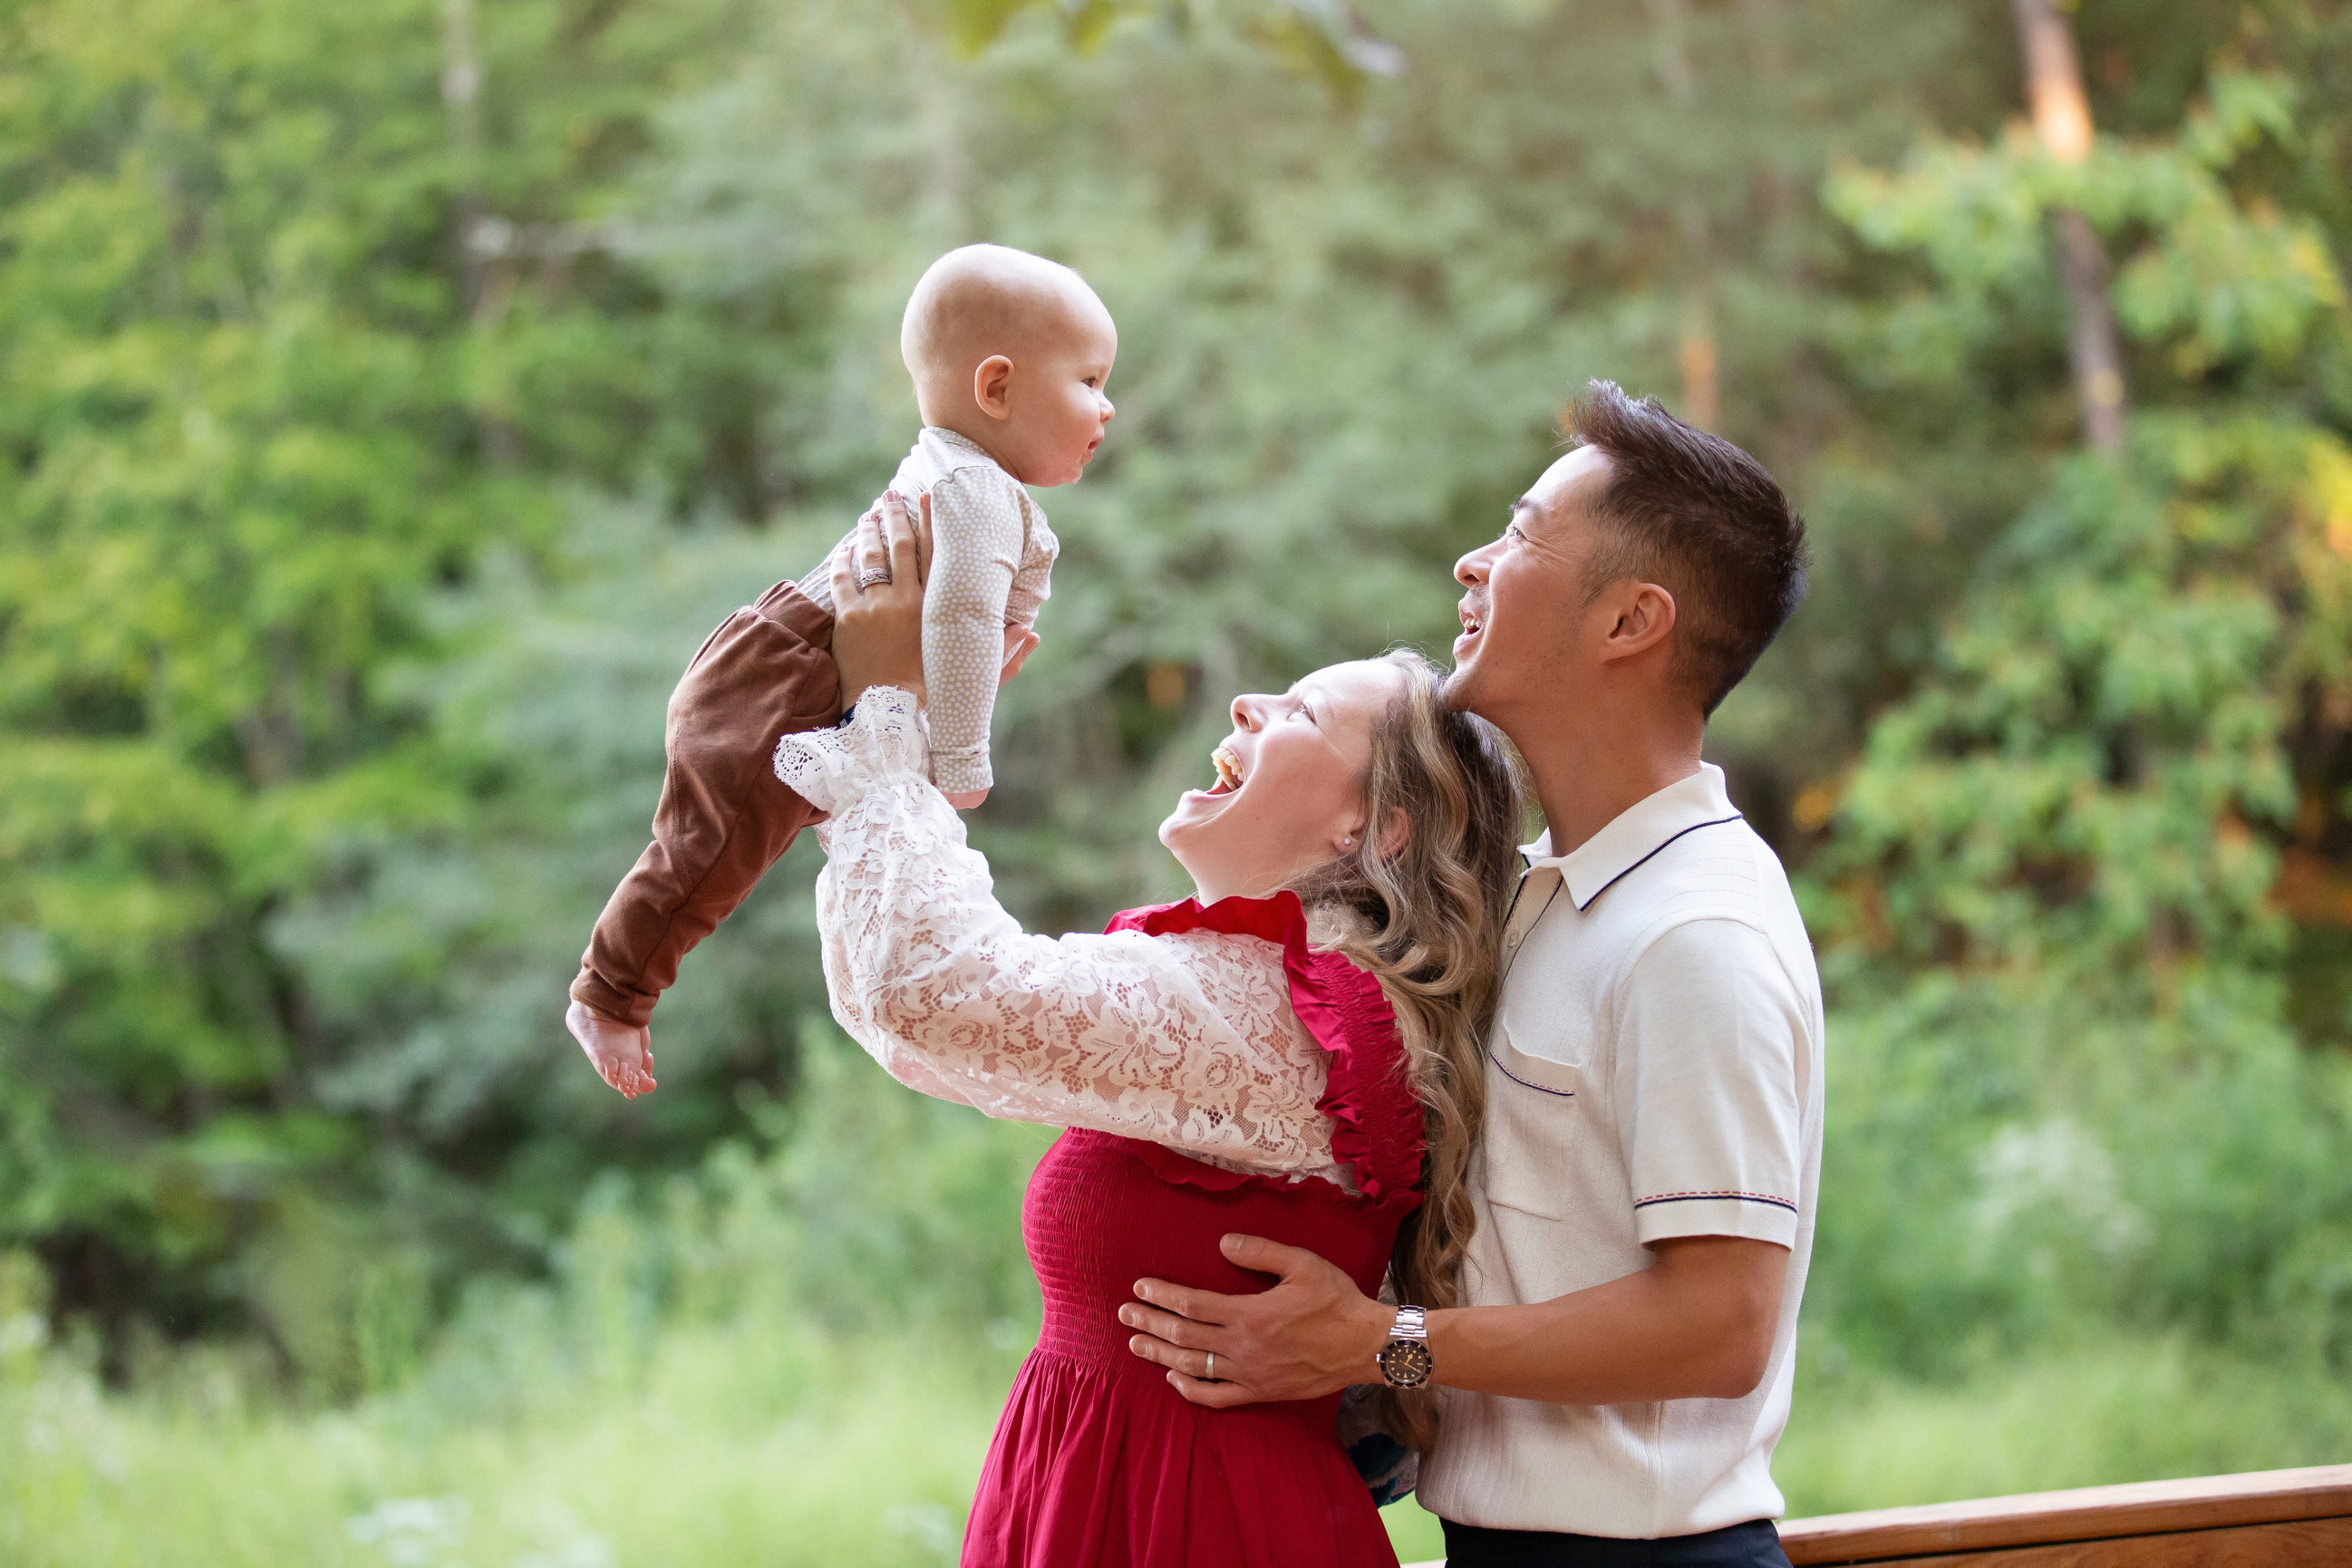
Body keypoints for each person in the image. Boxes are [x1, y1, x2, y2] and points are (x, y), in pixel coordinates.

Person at [1118, 382, 1824, 1568]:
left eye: (1519, 534)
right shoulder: (1536, 895)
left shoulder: (1695, 930)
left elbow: (1719, 1324)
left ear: (1627, 621)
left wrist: (1380, 1342)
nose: (1470, 562)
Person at [773, 495, 1525, 1568]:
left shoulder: (1300, 1018)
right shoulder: (1258, 988)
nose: (1248, 701)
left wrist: (893, 707)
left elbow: (928, 989)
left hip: (1203, 1523)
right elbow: (906, 1019)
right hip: (1117, 1502)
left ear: (1374, 827)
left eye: (1302, 713)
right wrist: (904, 739)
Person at [567, 245, 1116, 1096]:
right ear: (997, 388)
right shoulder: (977, 495)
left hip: (780, 656)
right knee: (711, 856)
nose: (1107, 407)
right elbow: (961, 618)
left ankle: (616, 988)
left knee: (720, 845)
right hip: (787, 676)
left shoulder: (959, 470)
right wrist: (961, 760)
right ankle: (610, 996)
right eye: (1088, 381)